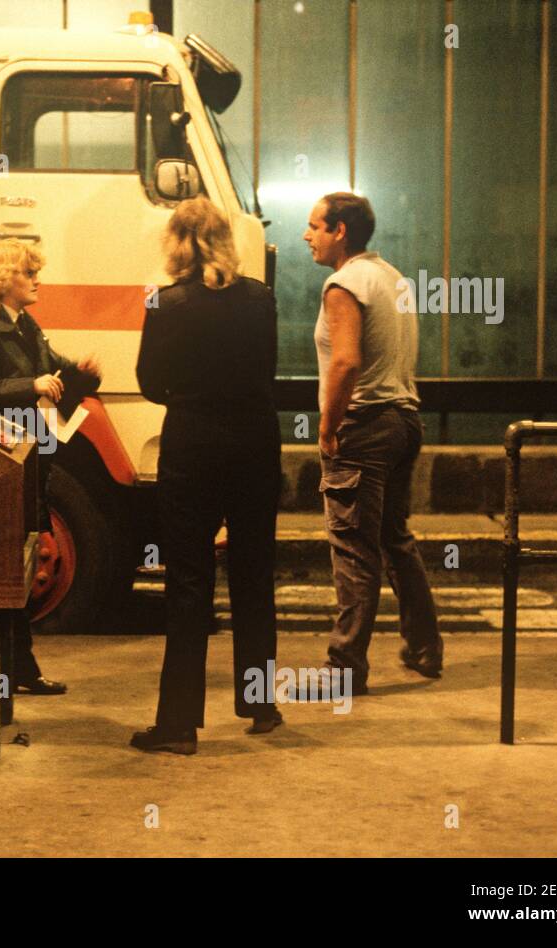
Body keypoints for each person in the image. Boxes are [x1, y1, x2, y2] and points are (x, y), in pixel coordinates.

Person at [130, 197, 282, 755]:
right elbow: (264, 372)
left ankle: (178, 726)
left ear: (176, 243)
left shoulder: (164, 302)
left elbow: (149, 381)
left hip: (192, 444)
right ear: (226, 240)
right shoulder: (261, 299)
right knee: (253, 574)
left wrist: (186, 395)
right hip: (254, 443)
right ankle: (261, 704)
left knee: (189, 582)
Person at [0, 238, 101, 696]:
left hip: (29, 466)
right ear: (2, 280)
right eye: (28, 272)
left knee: (19, 565)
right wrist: (28, 385)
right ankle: (14, 669)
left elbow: (55, 371)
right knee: (10, 567)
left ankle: (18, 668)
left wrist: (83, 374)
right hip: (3, 468)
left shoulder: (25, 326)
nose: (37, 279)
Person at [303, 192, 443, 692]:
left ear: (340, 231)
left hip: (363, 425)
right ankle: (425, 648)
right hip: (405, 420)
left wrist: (327, 426)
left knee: (353, 547)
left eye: (315, 226)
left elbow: (345, 361)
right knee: (393, 540)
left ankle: (345, 669)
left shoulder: (344, 284)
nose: (307, 235)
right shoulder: (393, 277)